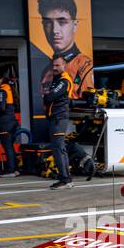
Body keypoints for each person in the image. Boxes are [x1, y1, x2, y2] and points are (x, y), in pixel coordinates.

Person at [36, 0, 93, 94]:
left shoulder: (85, 65)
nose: (55, 30)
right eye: (48, 23)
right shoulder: (47, 70)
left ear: (75, 25)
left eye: (62, 22)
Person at [43, 56, 74, 189]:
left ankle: (65, 180)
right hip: (56, 118)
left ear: (64, 65)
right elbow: (48, 98)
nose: (54, 68)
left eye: (57, 65)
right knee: (59, 149)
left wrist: (47, 94)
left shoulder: (64, 81)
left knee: (58, 150)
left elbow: (49, 96)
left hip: (59, 119)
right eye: (53, 66)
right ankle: (66, 179)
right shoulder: (57, 80)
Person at [0, 70, 20, 176]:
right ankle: (14, 169)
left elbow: (1, 107)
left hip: (5, 123)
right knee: (10, 146)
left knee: (7, 147)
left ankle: (10, 170)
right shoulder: (9, 88)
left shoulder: (2, 90)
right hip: (11, 122)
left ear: (1, 79)